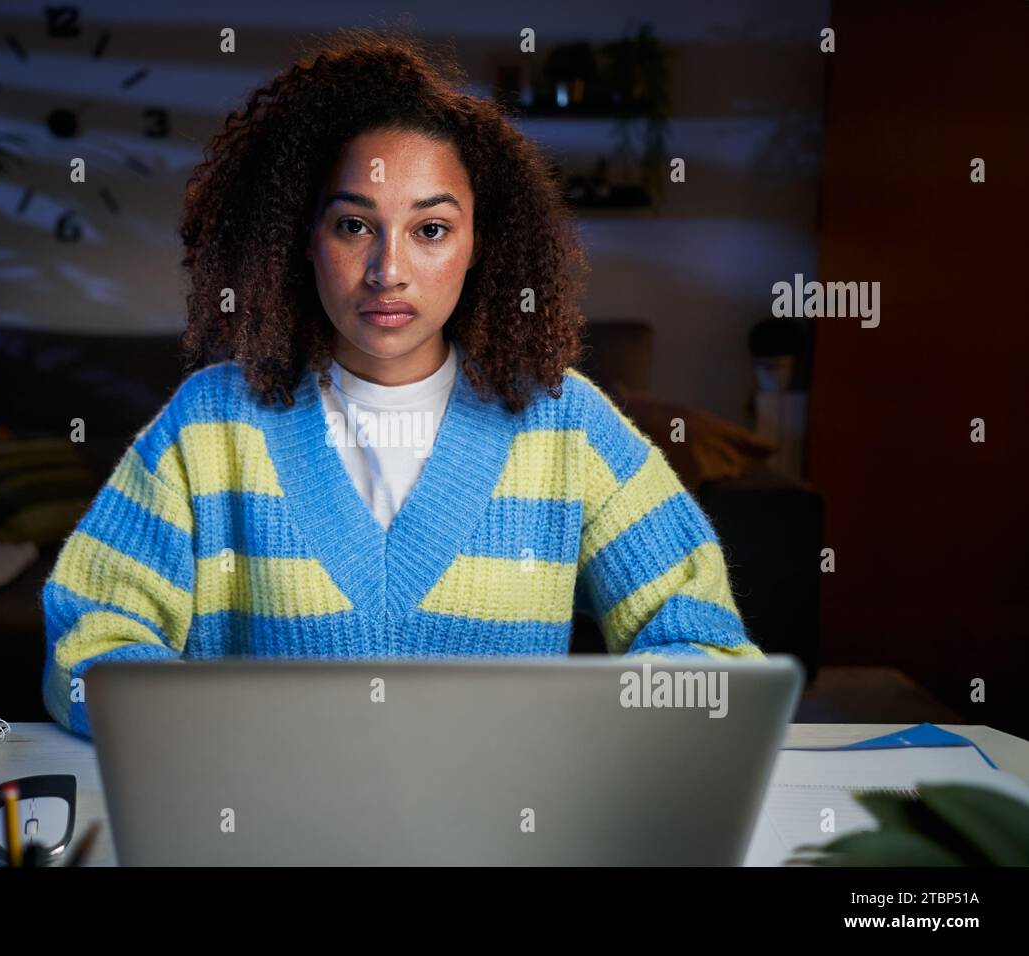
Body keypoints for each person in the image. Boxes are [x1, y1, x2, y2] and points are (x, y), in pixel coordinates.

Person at [42, 31, 762, 736]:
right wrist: (208, 724)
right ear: (301, 237)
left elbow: (710, 655)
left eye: (431, 230)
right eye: (355, 225)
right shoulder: (209, 424)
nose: (389, 270)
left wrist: (583, 731)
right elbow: (88, 647)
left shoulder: (564, 423)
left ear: (481, 240)